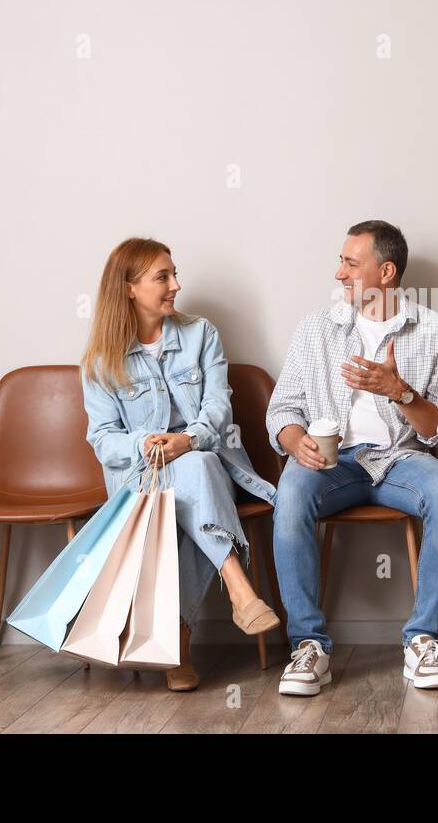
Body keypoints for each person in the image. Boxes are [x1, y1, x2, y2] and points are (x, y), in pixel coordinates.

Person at [266, 220, 438, 695]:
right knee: (290, 493)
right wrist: (296, 441)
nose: (338, 273)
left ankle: (423, 641)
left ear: (386, 271)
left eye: (350, 263)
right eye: (340, 260)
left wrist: (401, 393)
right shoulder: (317, 328)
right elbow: (283, 408)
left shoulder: (435, 330)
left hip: (401, 459)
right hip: (332, 462)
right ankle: (308, 649)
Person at [80, 237, 280, 691]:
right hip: (140, 481)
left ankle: (178, 649)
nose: (176, 285)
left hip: (204, 466)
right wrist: (147, 444)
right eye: (162, 277)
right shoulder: (99, 362)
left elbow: (218, 408)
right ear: (129, 288)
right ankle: (239, 588)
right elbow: (103, 440)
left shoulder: (201, 334)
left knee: (197, 471)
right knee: (192, 487)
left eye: (174, 273)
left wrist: (186, 440)